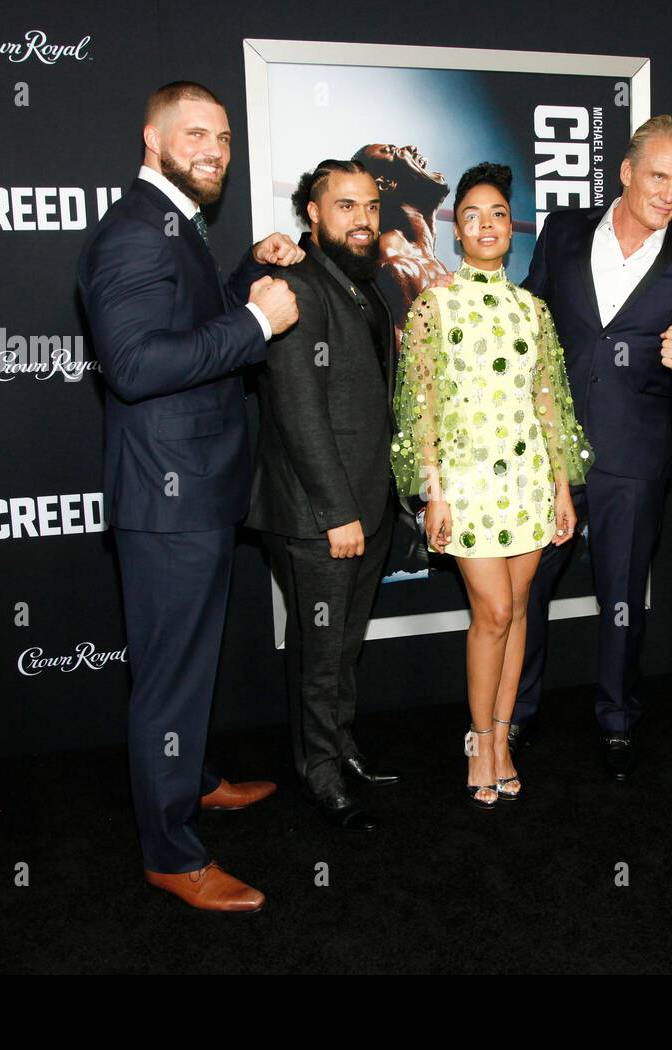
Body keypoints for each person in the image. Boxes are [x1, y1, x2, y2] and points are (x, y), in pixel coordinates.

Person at [77, 81, 301, 912]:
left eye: (224, 136)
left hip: (195, 489)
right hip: (167, 501)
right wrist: (256, 325)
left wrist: (249, 273)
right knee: (170, 676)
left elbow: (181, 324)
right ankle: (171, 852)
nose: (215, 148)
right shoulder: (135, 232)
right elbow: (135, 366)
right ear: (152, 139)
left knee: (185, 665)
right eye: (196, 133)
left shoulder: (177, 222)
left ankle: (195, 778)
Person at [510, 115, 672, 780]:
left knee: (621, 595)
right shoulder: (564, 230)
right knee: (527, 593)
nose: (668, 193)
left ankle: (616, 717)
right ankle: (514, 713)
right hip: (546, 452)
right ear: (628, 170)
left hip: (634, 460)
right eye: (658, 176)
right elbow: (529, 312)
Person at [392, 162, 593, 808]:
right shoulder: (434, 305)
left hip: (530, 480)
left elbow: (550, 405)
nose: (485, 224)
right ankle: (479, 741)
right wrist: (434, 492)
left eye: (498, 214)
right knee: (495, 612)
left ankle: (503, 738)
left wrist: (562, 488)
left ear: (511, 229)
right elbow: (418, 406)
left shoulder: (532, 310)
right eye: (472, 215)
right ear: (457, 231)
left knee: (520, 611)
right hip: (467, 486)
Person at [247, 159, 400, 833]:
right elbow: (298, 410)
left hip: (367, 504)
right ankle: (320, 774)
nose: (362, 219)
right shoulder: (297, 286)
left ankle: (338, 747)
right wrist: (338, 512)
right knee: (320, 651)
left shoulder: (367, 286)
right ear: (312, 213)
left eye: (370, 206)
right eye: (345, 206)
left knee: (343, 646)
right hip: (321, 513)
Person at [352, 142, 452, 343]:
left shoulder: (424, 257)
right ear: (386, 184)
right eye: (393, 152)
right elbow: (404, 364)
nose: (412, 149)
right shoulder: (394, 264)